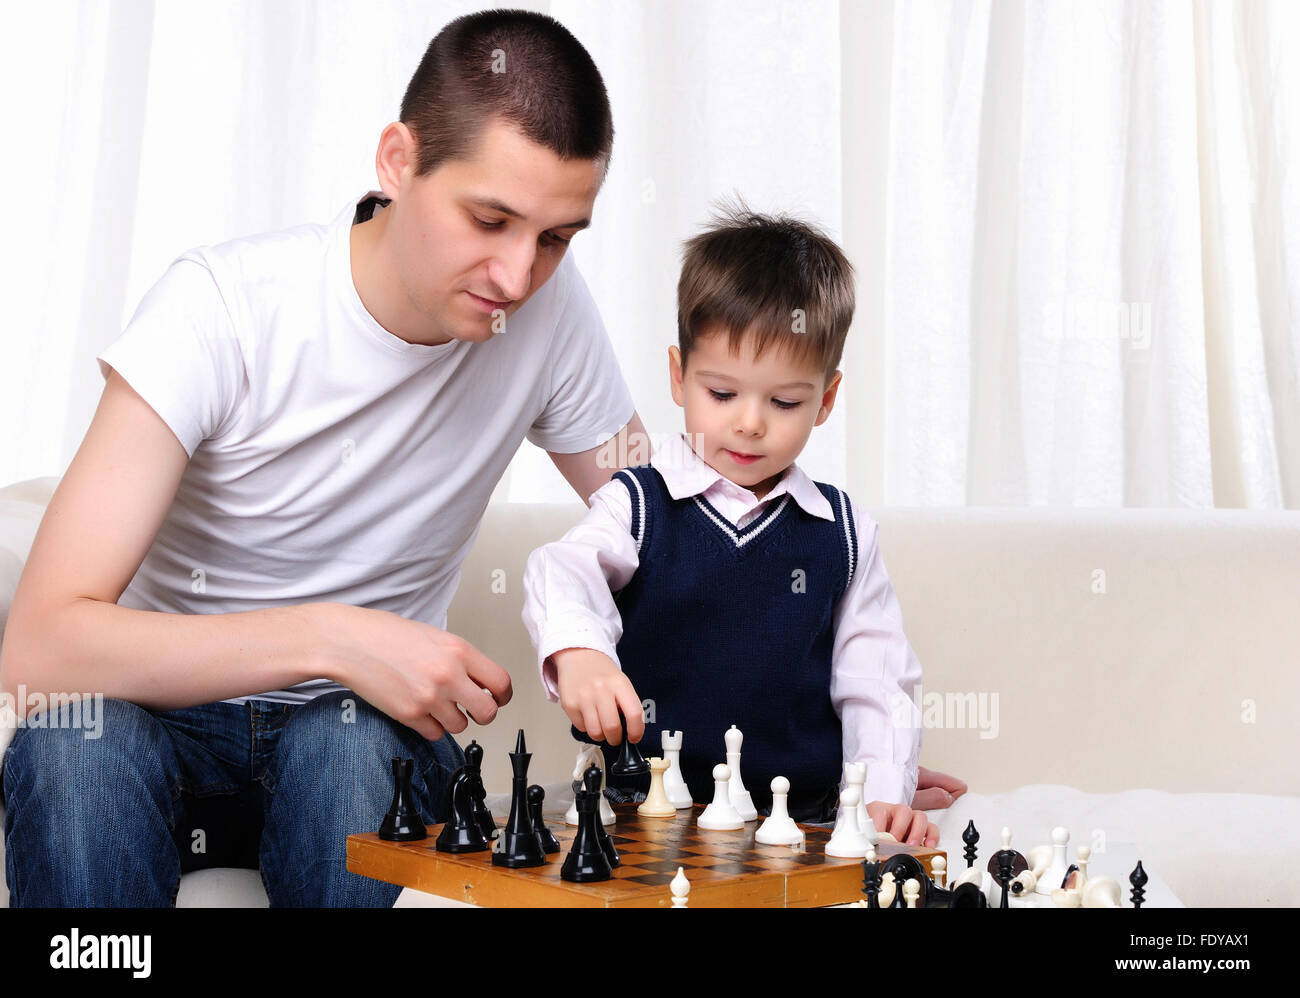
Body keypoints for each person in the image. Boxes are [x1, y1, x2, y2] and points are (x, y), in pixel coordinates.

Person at [0, 10, 648, 907]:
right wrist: (336, 636)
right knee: (75, 746)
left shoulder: (549, 312)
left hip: (358, 743)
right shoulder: (220, 309)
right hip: (158, 727)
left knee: (340, 744)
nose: (515, 276)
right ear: (397, 161)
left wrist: (847, 752)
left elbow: (671, 529)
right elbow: (38, 649)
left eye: (556, 237)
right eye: (489, 219)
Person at [521, 205, 965, 846]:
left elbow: (877, 679)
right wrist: (581, 654)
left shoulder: (843, 533)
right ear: (678, 376)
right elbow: (562, 569)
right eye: (722, 394)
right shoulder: (637, 504)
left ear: (827, 399)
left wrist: (881, 795)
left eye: (784, 401)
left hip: (802, 819)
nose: (750, 423)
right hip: (649, 810)